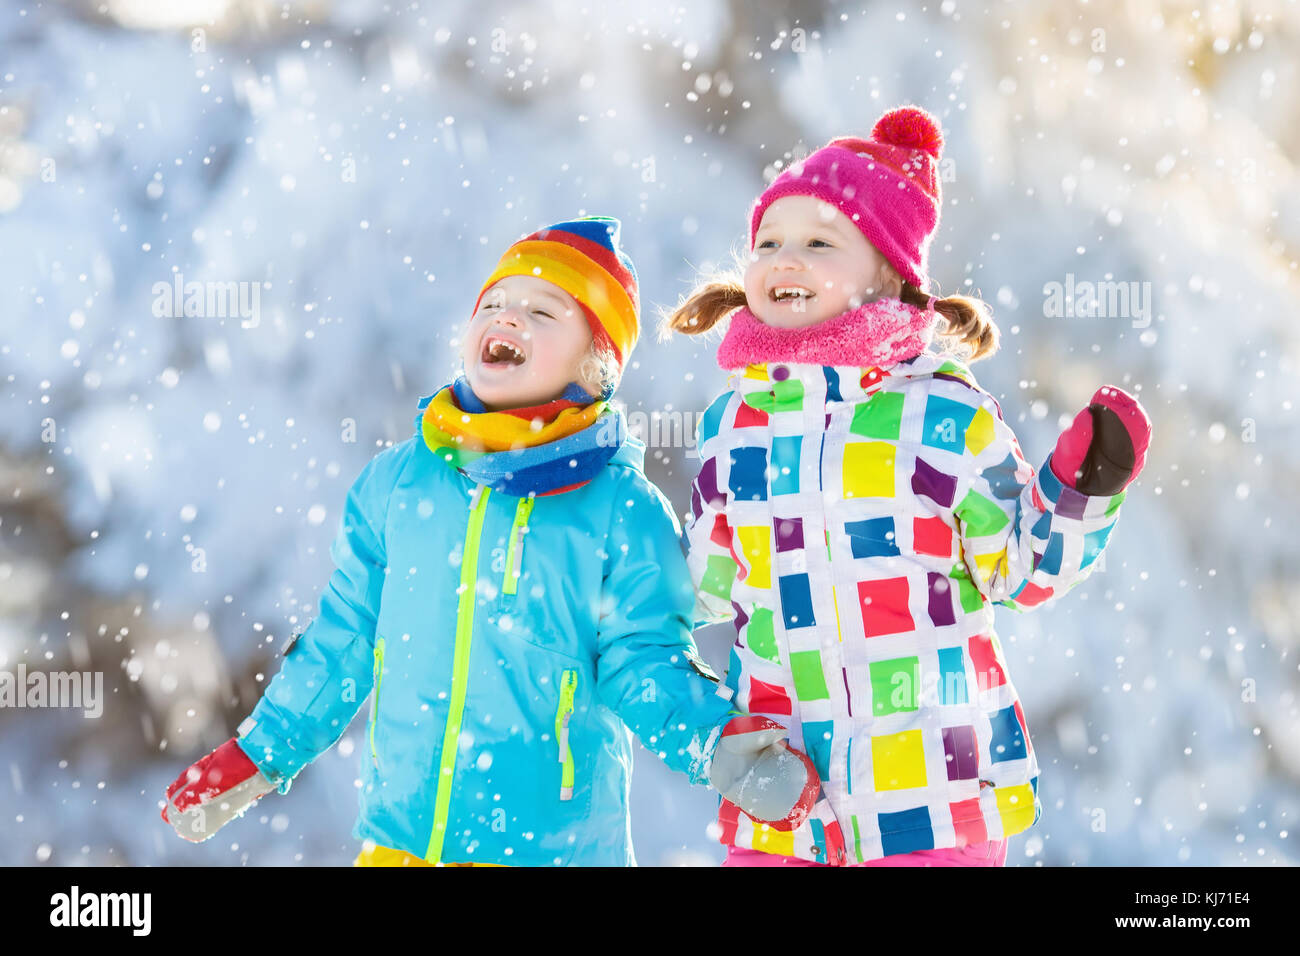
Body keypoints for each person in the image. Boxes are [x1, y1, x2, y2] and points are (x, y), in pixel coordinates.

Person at [161, 216, 819, 866]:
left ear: (595, 367)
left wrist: (716, 745)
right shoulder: (398, 483)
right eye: (496, 302)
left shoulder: (619, 510)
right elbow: (344, 640)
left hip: (552, 854)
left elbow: (644, 662)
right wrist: (258, 754)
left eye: (544, 310)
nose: (508, 317)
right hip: (402, 847)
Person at [664, 106, 1152, 866]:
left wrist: (1081, 486)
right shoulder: (736, 423)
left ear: (888, 273)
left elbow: (1018, 567)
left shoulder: (942, 416)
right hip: (782, 801)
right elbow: (698, 587)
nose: (783, 259)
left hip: (929, 795)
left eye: (818, 242)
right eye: (768, 242)